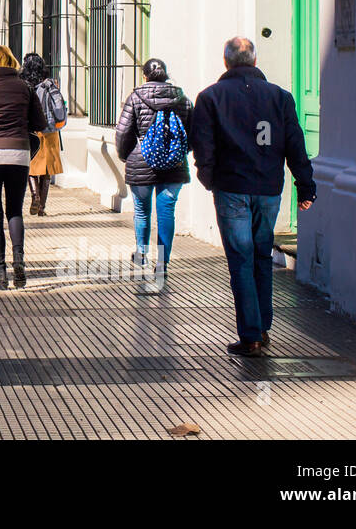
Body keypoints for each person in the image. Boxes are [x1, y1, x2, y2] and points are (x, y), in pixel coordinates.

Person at [191, 37, 316, 357]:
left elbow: (203, 146)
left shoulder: (210, 98)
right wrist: (306, 185)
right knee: (261, 256)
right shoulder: (281, 97)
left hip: (232, 188)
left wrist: (209, 179)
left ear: (226, 62)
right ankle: (261, 327)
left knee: (241, 260)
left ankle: (250, 336)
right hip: (268, 189)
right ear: (255, 62)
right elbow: (295, 144)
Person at [0, 45, 47, 289]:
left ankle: (0, 272)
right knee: (15, 211)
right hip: (17, 154)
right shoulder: (25, 87)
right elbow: (40, 122)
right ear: (12, 62)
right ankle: (20, 262)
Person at [114, 58, 192, 292]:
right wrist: (176, 153)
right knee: (167, 211)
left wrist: (127, 155)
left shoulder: (136, 97)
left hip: (142, 162)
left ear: (145, 75)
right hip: (174, 167)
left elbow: (123, 132)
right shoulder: (182, 99)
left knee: (142, 210)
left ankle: (142, 253)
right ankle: (163, 262)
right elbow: (192, 133)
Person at [19, 53, 65, 217]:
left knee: (31, 167)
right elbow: (59, 107)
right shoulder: (49, 85)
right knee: (47, 171)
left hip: (31, 132)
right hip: (50, 131)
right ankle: (42, 207)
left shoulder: (23, 85)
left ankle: (35, 195)